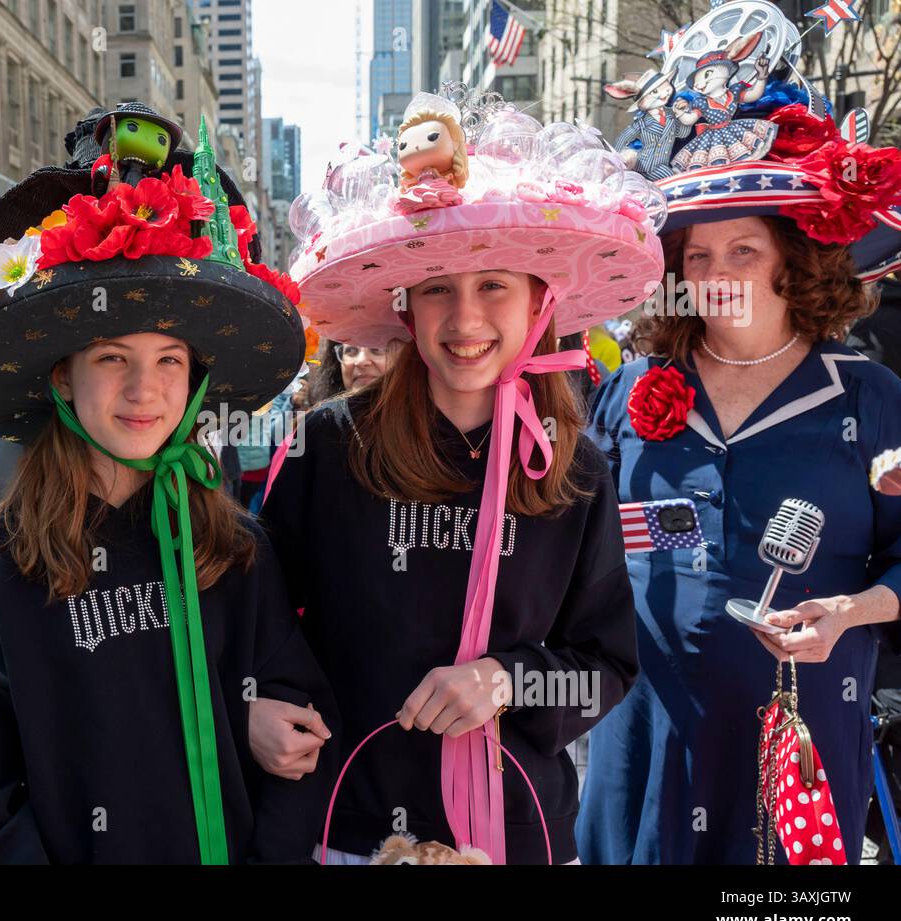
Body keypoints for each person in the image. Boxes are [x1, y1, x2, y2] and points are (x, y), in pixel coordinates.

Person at [253, 91, 667, 864]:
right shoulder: (330, 444)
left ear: (541, 302)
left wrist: (509, 681)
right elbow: (255, 615)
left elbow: (604, 670)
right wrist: (259, 705)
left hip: (517, 830)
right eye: (439, 287)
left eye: (494, 288)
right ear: (406, 307)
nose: (464, 319)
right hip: (351, 821)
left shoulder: (575, 469)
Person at [0, 108, 339, 864]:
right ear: (62, 375)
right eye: (113, 356)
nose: (145, 389)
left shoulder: (235, 549)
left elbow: (300, 728)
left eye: (170, 360)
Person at [577, 8, 901, 864]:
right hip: (641, 744)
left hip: (799, 740)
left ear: (793, 261)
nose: (716, 277)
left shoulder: (867, 397)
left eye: (743, 253)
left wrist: (855, 610)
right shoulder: (628, 394)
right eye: (698, 257)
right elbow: (568, 558)